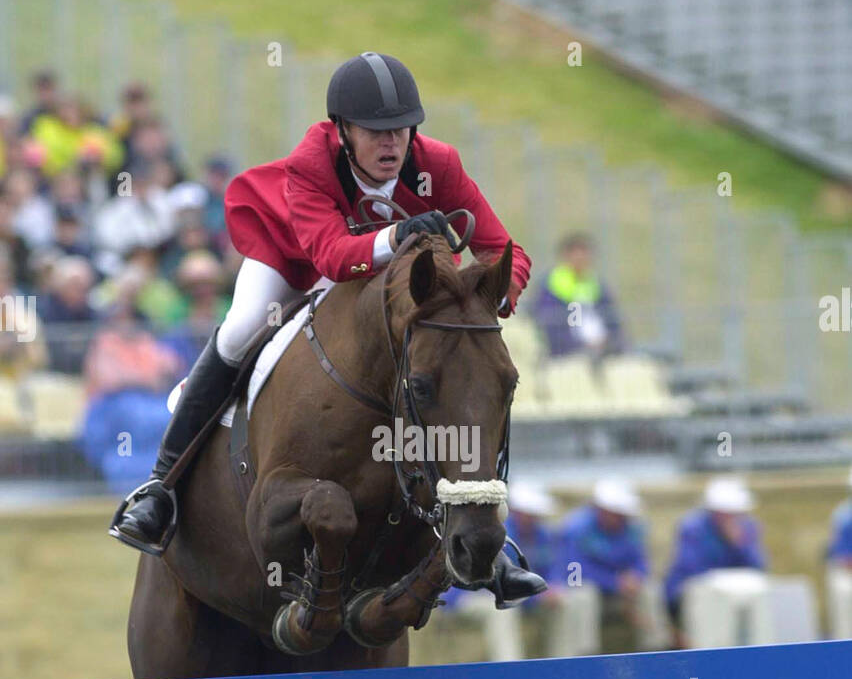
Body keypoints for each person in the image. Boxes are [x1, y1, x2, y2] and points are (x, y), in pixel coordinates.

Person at [112, 50, 544, 608]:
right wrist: (399, 234)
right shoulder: (311, 165)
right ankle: (160, 487)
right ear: (342, 130)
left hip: (387, 280)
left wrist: (491, 299)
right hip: (295, 259)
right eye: (375, 132)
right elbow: (334, 259)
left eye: (401, 130)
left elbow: (503, 248)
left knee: (463, 372)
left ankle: (483, 533)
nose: (392, 143)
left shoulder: (439, 166)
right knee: (243, 326)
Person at [664, 475, 765, 629]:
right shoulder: (692, 528)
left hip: (734, 594)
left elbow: (758, 567)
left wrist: (739, 544)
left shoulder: (748, 527)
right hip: (694, 593)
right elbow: (691, 569)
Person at [533, 233, 625, 358]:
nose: (581, 258)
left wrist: (612, 342)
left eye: (584, 253)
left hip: (603, 349)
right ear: (565, 256)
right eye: (576, 254)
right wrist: (579, 345)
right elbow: (549, 324)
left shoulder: (596, 284)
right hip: (569, 352)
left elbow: (613, 319)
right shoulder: (551, 285)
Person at [560, 478, 648, 607]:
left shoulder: (632, 528)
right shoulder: (576, 529)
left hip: (619, 588)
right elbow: (574, 572)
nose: (619, 517)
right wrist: (614, 581)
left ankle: (654, 627)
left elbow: (639, 560)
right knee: (583, 594)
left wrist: (635, 575)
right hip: (591, 588)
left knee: (649, 589)